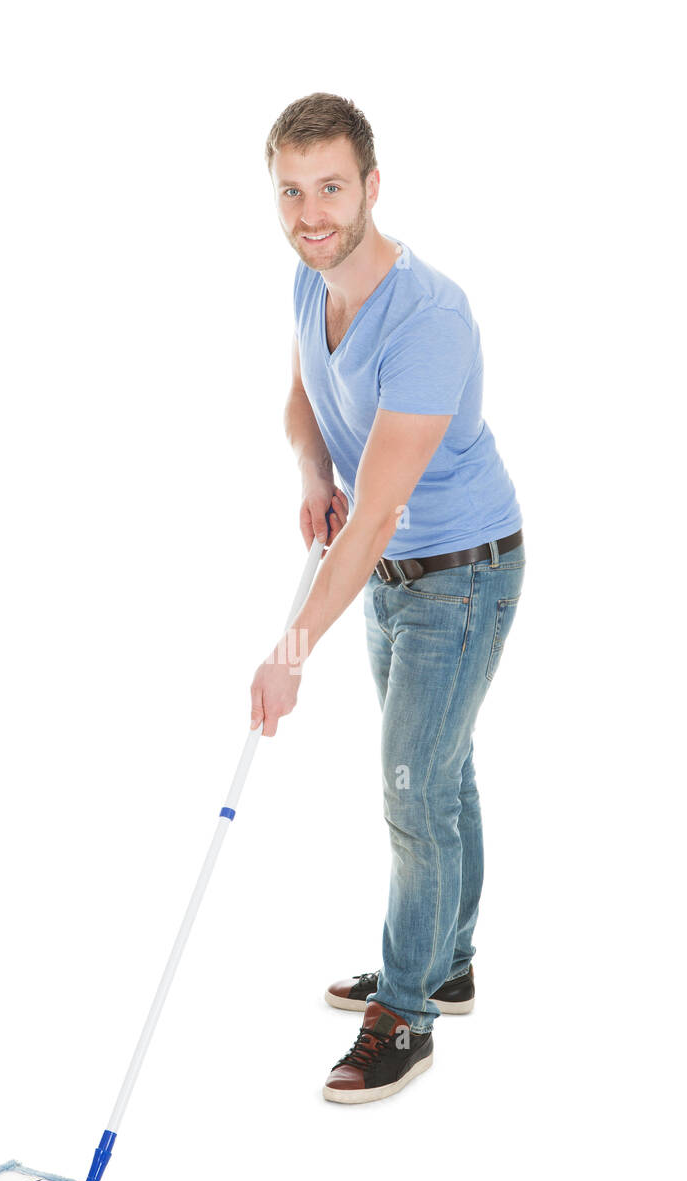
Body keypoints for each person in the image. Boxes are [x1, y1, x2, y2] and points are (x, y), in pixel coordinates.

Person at [250, 92, 525, 1106]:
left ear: (370, 185)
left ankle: (405, 1012)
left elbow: (375, 519)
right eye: (290, 190)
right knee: (438, 775)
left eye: (330, 187)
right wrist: (309, 474)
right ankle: (441, 962)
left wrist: (289, 650)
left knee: (412, 788)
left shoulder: (428, 319)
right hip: (394, 572)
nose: (310, 211)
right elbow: (301, 402)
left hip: (458, 573)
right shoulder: (307, 280)